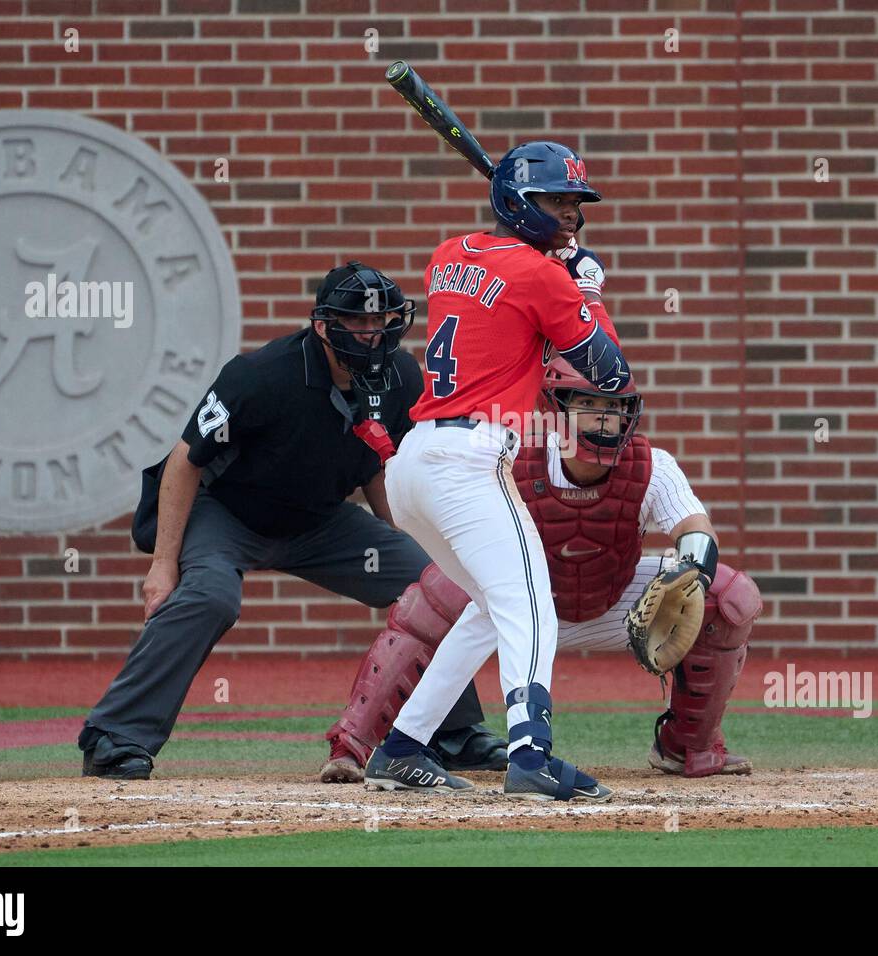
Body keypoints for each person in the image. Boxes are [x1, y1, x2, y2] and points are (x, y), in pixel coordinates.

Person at [78, 262, 507, 780]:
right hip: (229, 514)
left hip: (320, 522)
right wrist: (164, 564)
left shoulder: (402, 375)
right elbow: (183, 460)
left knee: (435, 584)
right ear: (324, 326)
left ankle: (448, 730)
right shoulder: (262, 375)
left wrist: (410, 540)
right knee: (211, 596)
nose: (373, 333)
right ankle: (115, 735)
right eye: (357, 322)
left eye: (382, 320)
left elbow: (379, 466)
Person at [327, 358, 763, 783]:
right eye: (590, 406)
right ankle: (354, 745)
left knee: (726, 597)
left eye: (614, 408)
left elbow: (695, 525)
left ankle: (687, 746)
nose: (605, 421)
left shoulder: (652, 466)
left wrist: (689, 572)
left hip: (616, 606)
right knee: (434, 595)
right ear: (555, 410)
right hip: (518, 607)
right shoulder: (510, 457)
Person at [361, 141, 635, 801]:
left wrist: (557, 270)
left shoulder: (448, 252)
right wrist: (586, 290)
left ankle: (400, 747)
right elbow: (610, 374)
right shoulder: (544, 278)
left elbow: (507, 297)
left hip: (415, 466)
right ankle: (531, 754)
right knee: (530, 600)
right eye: (555, 200)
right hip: (469, 460)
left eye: (574, 202)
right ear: (519, 201)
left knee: (489, 608)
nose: (569, 213)